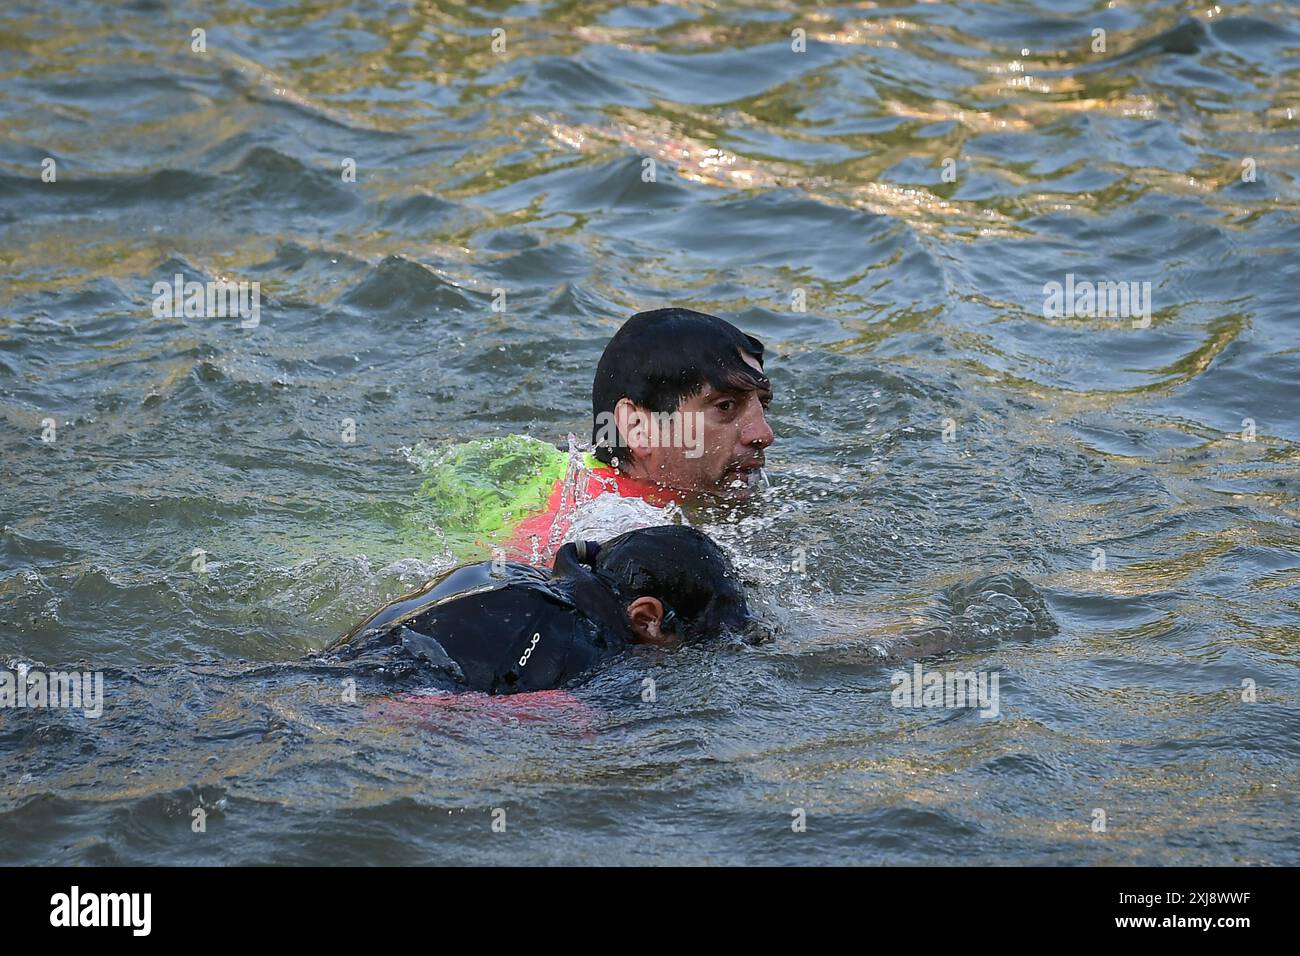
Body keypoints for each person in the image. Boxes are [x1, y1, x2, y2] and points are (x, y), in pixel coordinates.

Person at [324, 525, 750, 695]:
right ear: (647, 619)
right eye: (690, 645)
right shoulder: (585, 651)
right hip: (370, 706)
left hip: (329, 670)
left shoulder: (510, 572)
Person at [503, 308, 775, 561]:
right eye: (725, 406)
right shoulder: (597, 534)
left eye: (762, 405)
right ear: (638, 427)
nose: (763, 434)